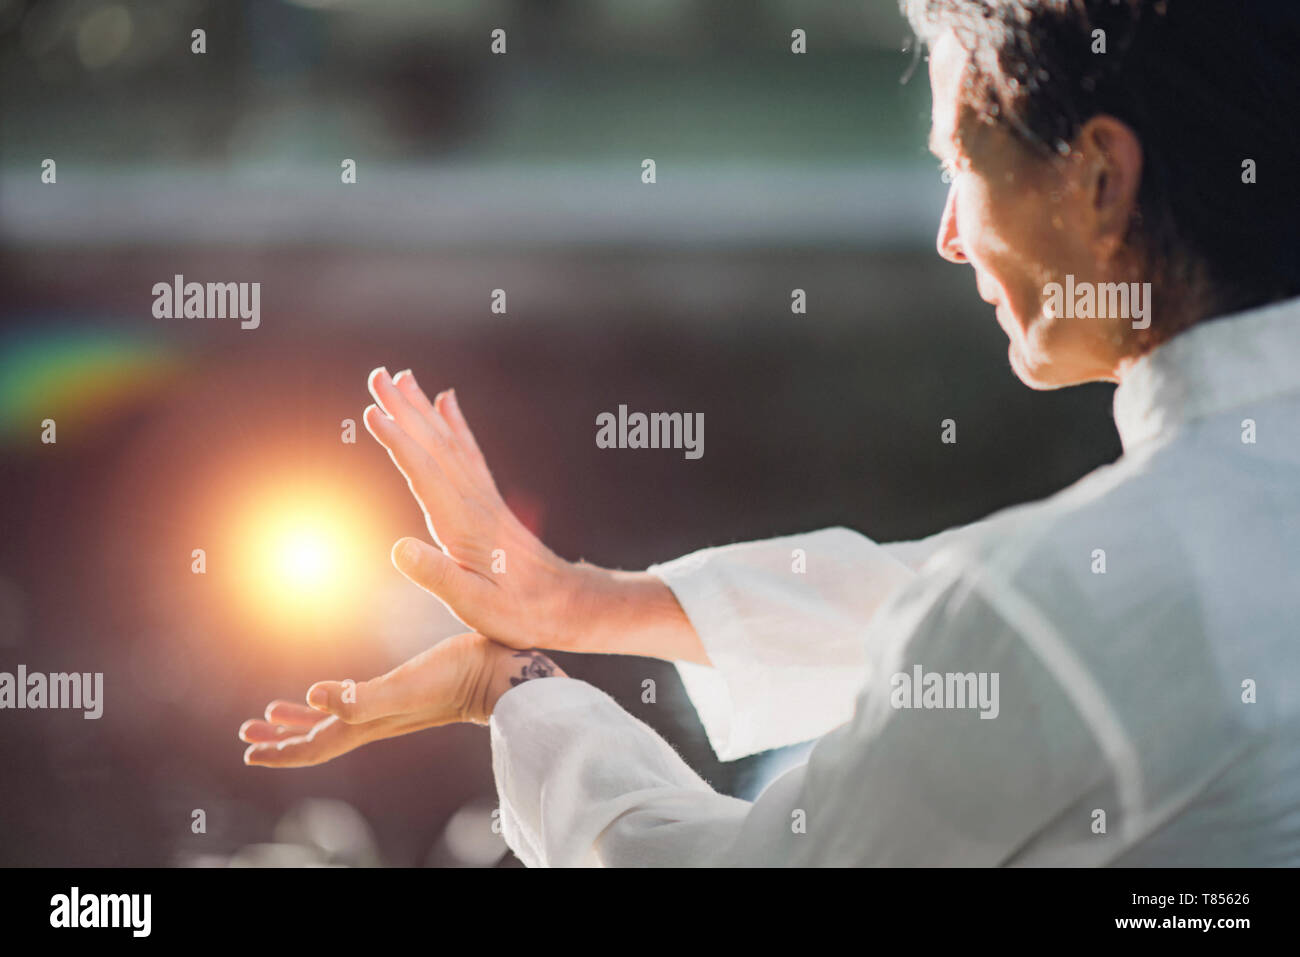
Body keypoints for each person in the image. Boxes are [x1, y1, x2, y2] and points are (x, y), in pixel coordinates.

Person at [239, 0, 1300, 866]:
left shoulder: (1064, 604)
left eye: (960, 164)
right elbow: (966, 610)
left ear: (1099, 183)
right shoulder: (1192, 534)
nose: (946, 236)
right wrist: (573, 600)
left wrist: (512, 693)